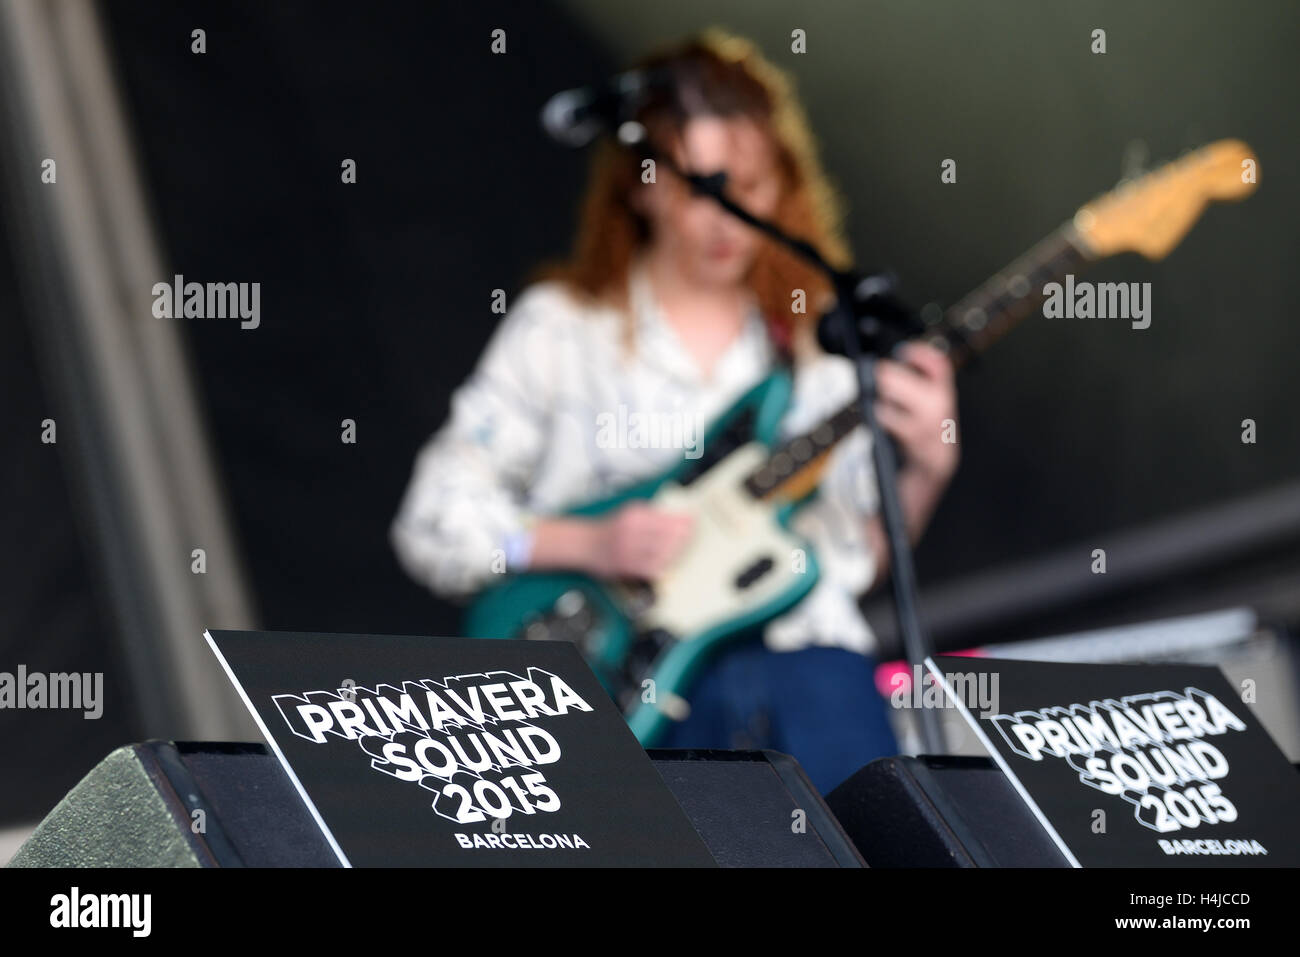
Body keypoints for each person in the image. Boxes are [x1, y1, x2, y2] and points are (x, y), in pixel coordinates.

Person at [390, 29, 958, 794]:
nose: (727, 219)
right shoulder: (560, 327)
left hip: (813, 684)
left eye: (750, 189)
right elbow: (432, 520)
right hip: (628, 700)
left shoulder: (818, 336)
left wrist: (926, 467)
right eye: (702, 188)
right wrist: (588, 542)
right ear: (643, 183)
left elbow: (852, 556)